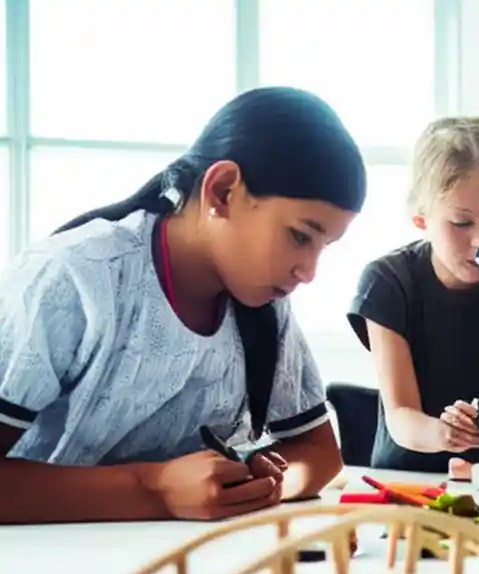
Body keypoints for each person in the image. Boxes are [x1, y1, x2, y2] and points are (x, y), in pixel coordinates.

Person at [0, 87, 365, 524]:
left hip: (179, 568)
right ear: (223, 191)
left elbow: (318, 453)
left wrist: (253, 484)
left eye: (325, 246)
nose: (309, 271)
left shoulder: (263, 304)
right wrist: (157, 489)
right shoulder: (75, 277)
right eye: (300, 236)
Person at [348, 117, 479, 473]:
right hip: (410, 479)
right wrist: (446, 434)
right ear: (421, 219)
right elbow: (400, 416)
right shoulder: (389, 281)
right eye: (462, 223)